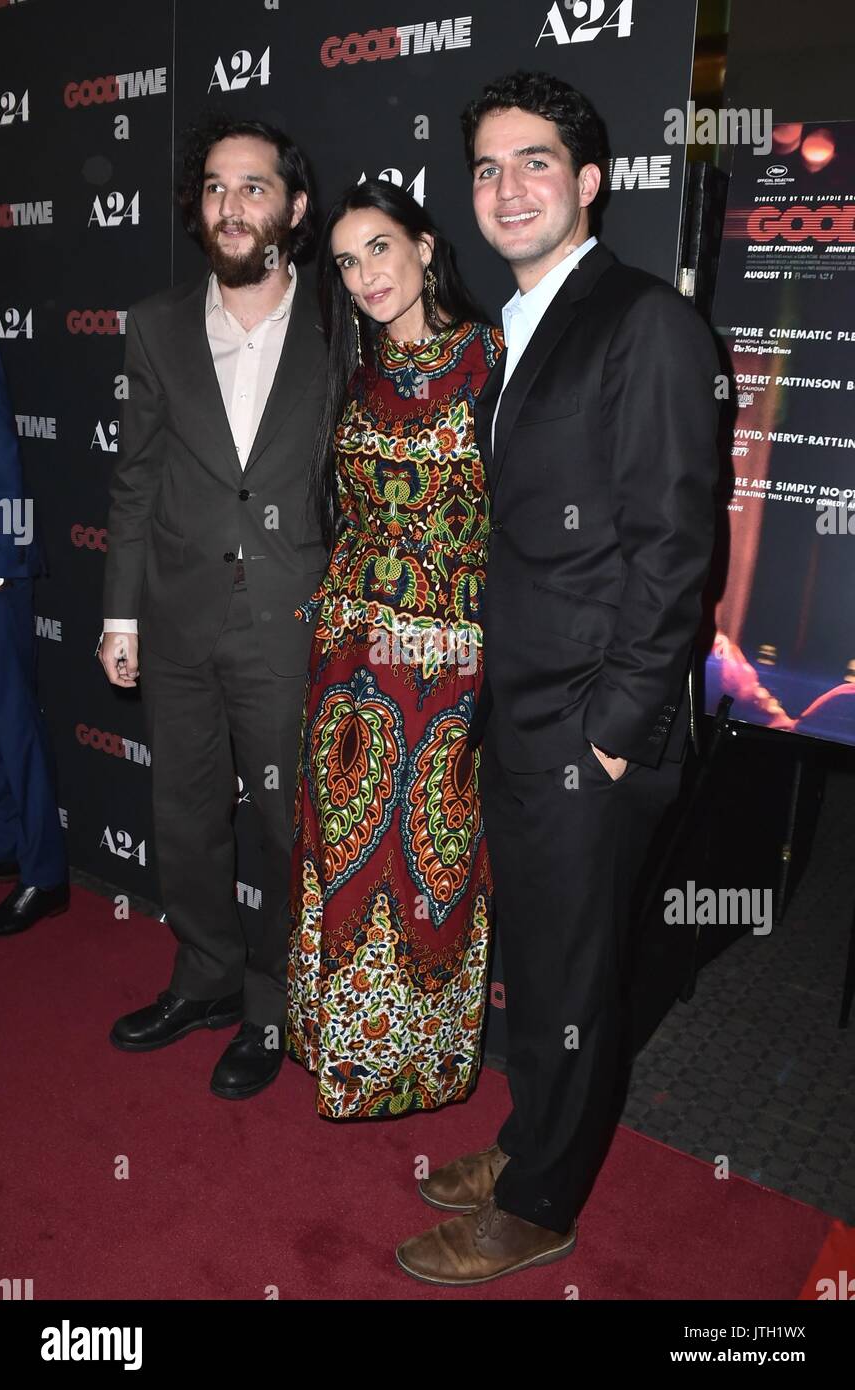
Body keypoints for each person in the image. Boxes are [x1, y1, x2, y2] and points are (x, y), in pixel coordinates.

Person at [397, 71, 720, 1284]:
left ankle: (540, 1201)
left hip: (591, 725)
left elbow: (673, 548)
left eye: (535, 161)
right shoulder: (519, 326)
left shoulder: (645, 322)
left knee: (576, 970)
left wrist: (615, 732)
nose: (506, 187)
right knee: (540, 960)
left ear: (589, 183)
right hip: (521, 713)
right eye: (486, 167)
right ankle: (533, 1133)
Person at [101, 117, 327, 1100]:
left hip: (289, 620)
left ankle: (271, 1004)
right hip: (179, 616)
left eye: (254, 187)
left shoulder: (342, 324)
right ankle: (203, 977)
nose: (233, 207)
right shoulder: (154, 324)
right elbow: (135, 479)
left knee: (282, 826)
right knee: (184, 813)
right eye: (215, 190)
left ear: (295, 207)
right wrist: (120, 615)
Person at [286, 181, 504, 1119]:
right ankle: (341, 1058)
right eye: (345, 261)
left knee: (432, 867)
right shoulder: (355, 369)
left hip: (450, 663)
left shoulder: (492, 359)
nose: (365, 275)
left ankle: (422, 1068)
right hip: (348, 661)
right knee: (341, 861)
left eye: (379, 248)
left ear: (423, 245)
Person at [0, 337, 69, 936]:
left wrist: (3, 560)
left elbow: (0, 448)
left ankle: (45, 874)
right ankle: (4, 841)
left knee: (16, 723)